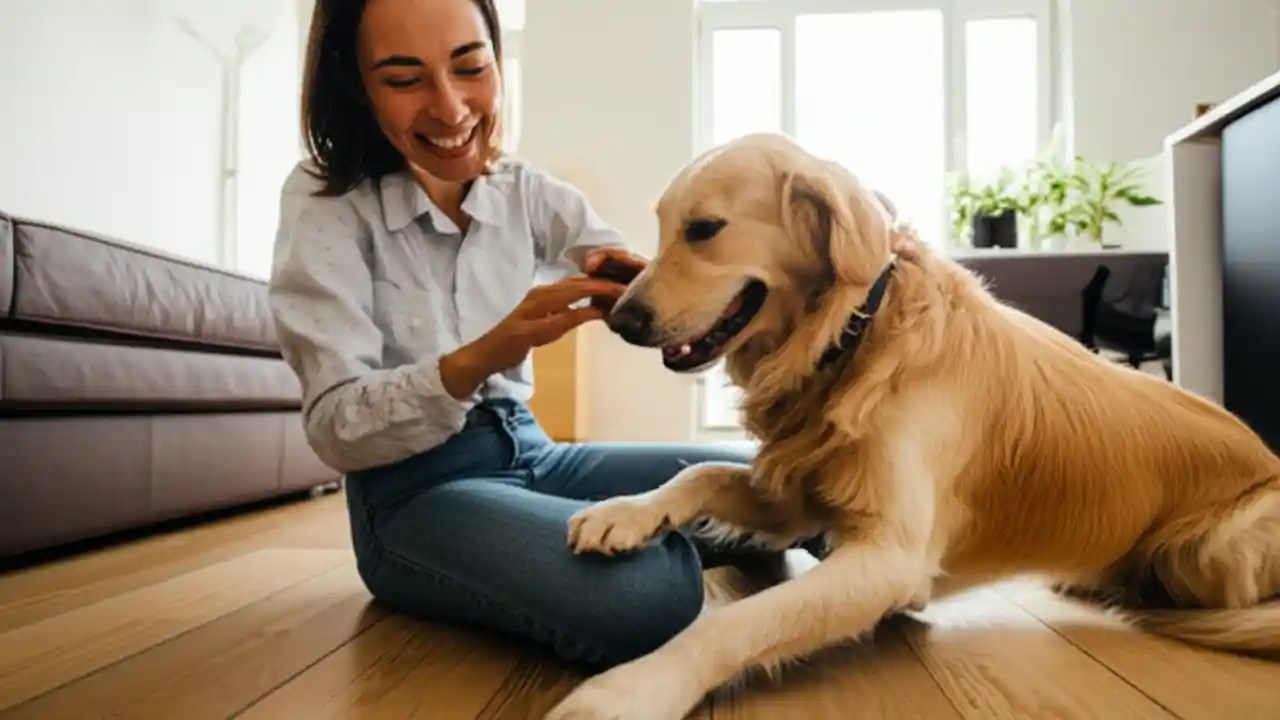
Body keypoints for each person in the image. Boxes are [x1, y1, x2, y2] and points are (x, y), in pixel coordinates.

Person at [267, 0, 762, 668]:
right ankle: (700, 542)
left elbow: (611, 260)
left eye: (471, 66)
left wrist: (642, 286)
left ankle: (712, 534)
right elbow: (333, 425)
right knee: (643, 593)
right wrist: (480, 357)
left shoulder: (523, 190)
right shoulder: (325, 203)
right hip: (415, 496)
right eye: (405, 79)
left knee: (774, 481)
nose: (451, 109)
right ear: (356, 84)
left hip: (539, 457)